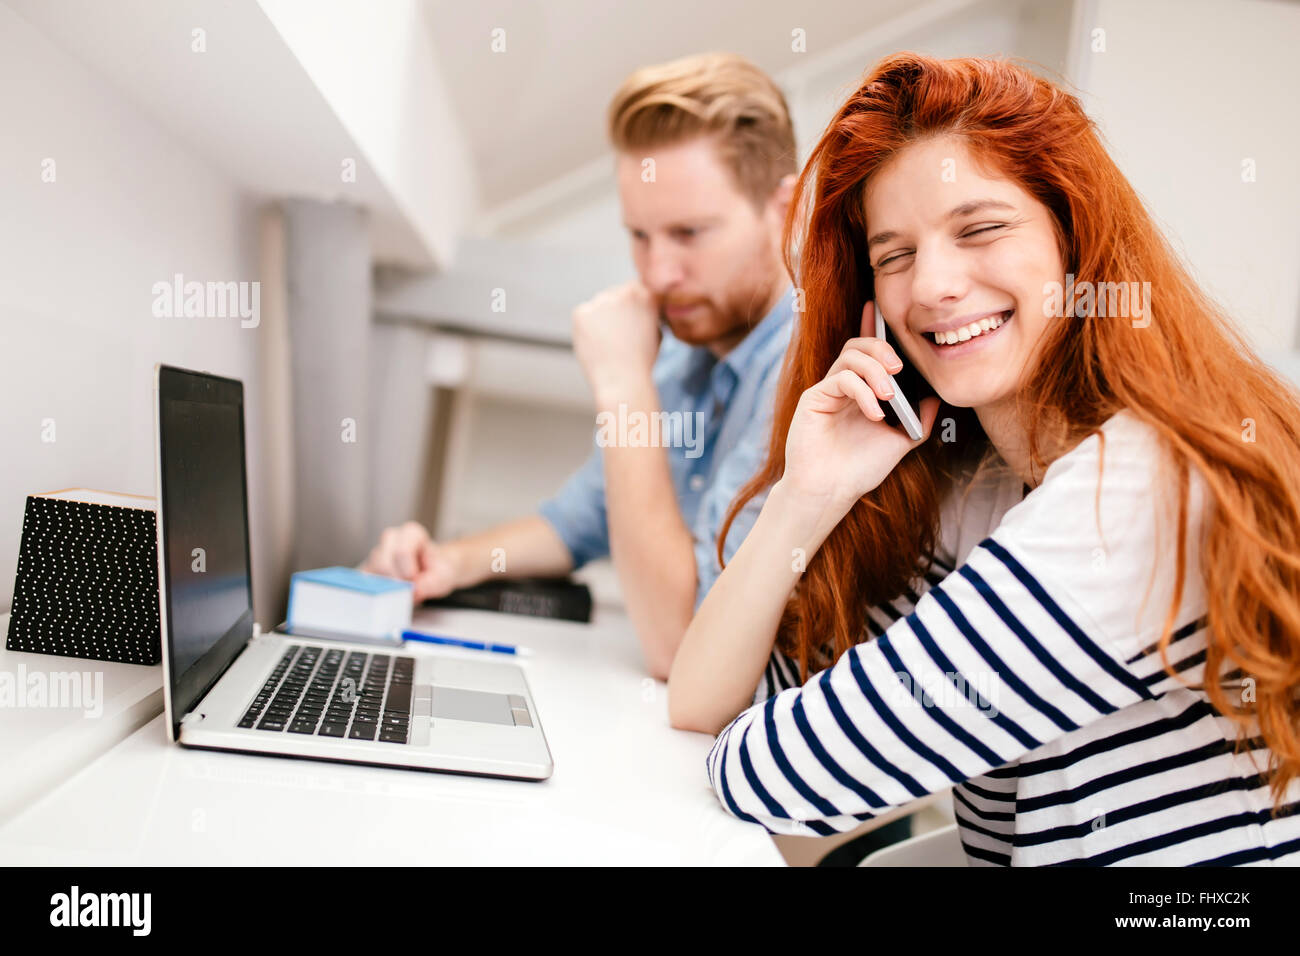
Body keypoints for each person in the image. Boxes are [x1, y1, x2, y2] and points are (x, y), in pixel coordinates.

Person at [669, 53, 1300, 865]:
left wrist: (775, 743)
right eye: (894, 255)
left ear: (1075, 239)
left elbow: (778, 775)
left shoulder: (1138, 490)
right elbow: (707, 708)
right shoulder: (977, 491)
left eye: (979, 229)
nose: (932, 286)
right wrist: (805, 495)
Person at [364, 53, 797, 679]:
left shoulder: (808, 371)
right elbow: (575, 524)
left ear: (785, 209)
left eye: (689, 233)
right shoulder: (684, 353)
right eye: (639, 236)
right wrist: (447, 563)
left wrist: (624, 386)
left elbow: (682, 645)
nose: (657, 274)